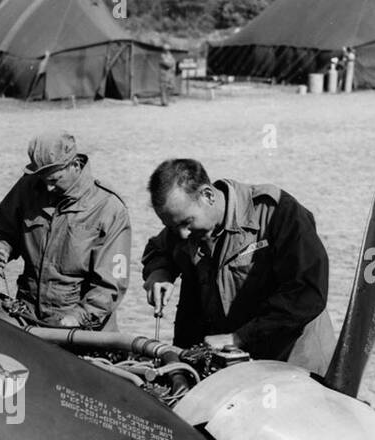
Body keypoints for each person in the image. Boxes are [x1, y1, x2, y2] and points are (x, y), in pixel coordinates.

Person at [142, 158, 335, 373]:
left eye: (187, 223)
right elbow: (159, 249)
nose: (181, 235)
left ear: (207, 195)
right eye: (171, 226)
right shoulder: (183, 223)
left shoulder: (277, 212)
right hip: (231, 365)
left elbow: (307, 293)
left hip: (293, 364)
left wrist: (238, 338)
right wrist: (160, 272)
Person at [0, 132, 130, 330]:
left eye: (55, 180)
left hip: (82, 326)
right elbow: (0, 232)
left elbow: (111, 285)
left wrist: (78, 317)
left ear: (75, 166)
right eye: (42, 179)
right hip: (28, 315)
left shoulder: (108, 208)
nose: (47, 187)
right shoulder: (28, 187)